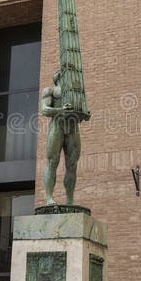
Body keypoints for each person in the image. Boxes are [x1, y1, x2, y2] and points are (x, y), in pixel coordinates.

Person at [42, 70, 84, 205]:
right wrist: (60, 110)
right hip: (57, 126)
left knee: (72, 165)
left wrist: (83, 114)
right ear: (58, 78)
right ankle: (49, 197)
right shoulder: (50, 91)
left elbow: (82, 111)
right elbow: (44, 110)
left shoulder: (75, 93)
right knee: (52, 161)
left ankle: (70, 201)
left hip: (72, 127)